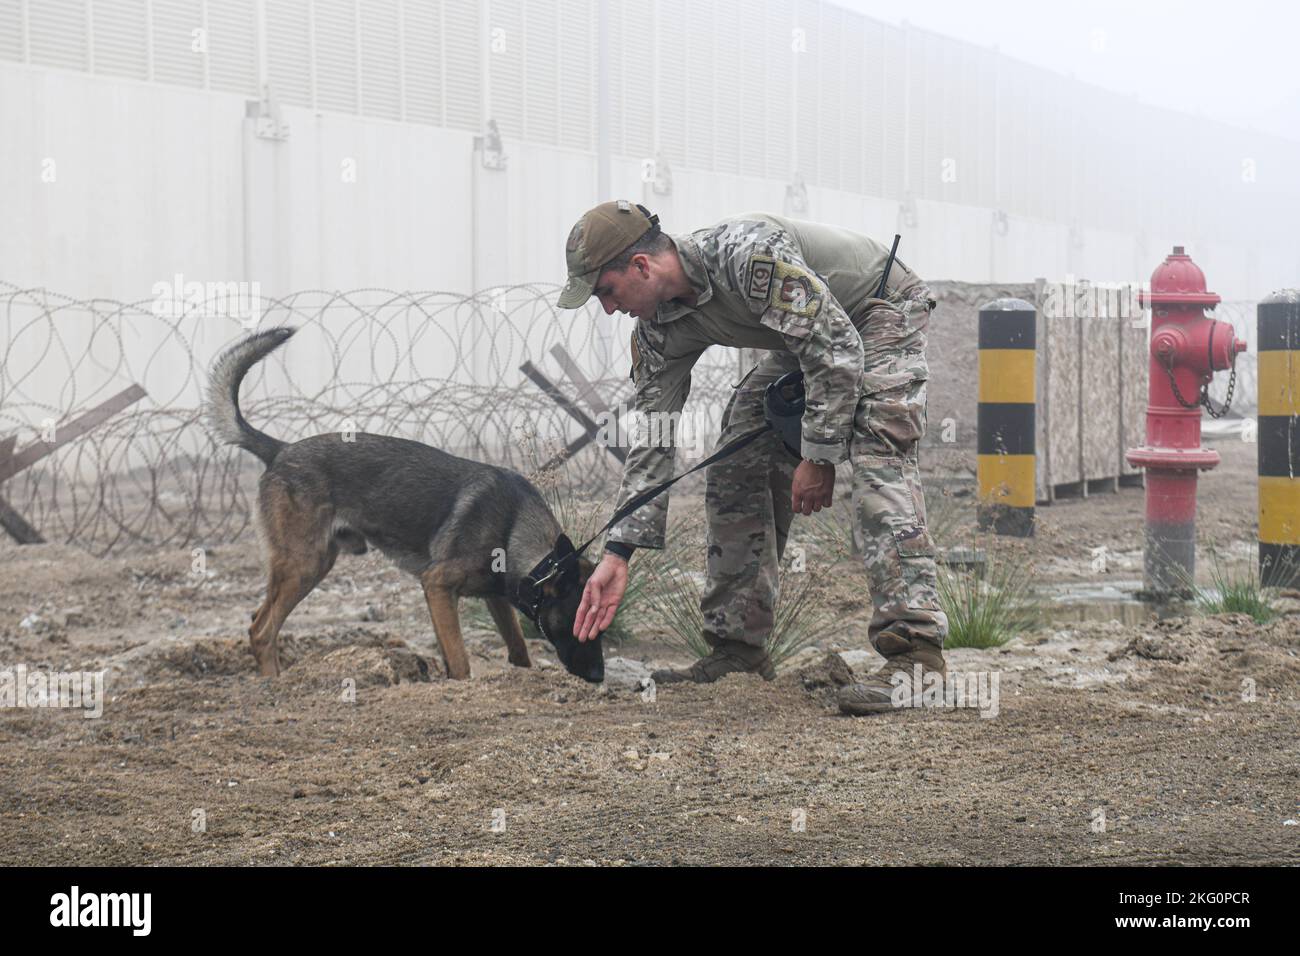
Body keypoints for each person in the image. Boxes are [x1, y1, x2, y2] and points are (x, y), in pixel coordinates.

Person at [556, 200, 948, 715]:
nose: (608, 309)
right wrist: (618, 552)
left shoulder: (749, 259)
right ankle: (737, 649)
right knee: (736, 462)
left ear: (641, 267)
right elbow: (653, 434)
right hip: (809, 337)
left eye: (606, 292)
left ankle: (916, 660)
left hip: (877, 310)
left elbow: (835, 348)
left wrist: (819, 455)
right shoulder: (656, 330)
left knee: (880, 454)